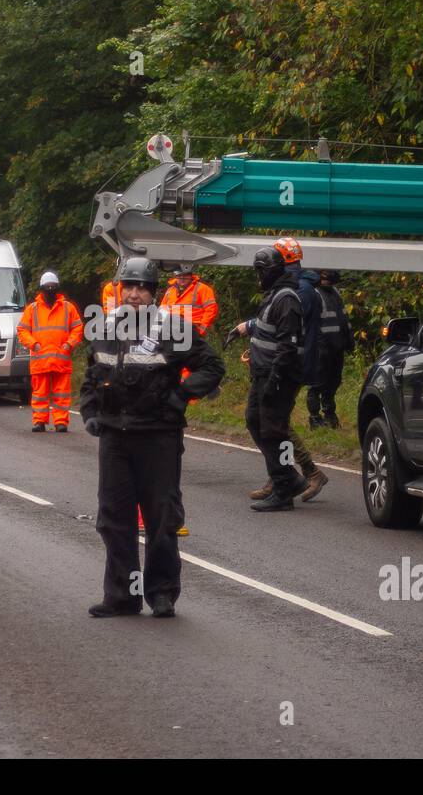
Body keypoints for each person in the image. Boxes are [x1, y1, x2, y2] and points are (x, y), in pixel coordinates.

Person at [80, 257, 225, 618]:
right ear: (119, 290)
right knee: (114, 519)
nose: (133, 293)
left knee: (161, 517)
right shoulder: (105, 328)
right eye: (127, 286)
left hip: (158, 436)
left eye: (141, 287)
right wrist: (91, 412)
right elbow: (91, 375)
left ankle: (161, 592)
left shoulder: (172, 327)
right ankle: (122, 596)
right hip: (115, 438)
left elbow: (213, 366)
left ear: (152, 293)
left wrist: (180, 396)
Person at [237, 238, 306, 511]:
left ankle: (283, 490)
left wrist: (276, 378)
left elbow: (288, 344)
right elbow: (267, 328)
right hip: (263, 373)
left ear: (271, 271)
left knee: (275, 431)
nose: (258, 277)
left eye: (260, 271)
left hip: (278, 376)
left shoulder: (287, 298)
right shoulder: (274, 295)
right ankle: (289, 477)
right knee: (255, 421)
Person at [17, 271, 84, 432]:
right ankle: (39, 421)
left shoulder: (68, 308)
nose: (50, 290)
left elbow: (78, 328)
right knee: (40, 393)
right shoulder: (32, 309)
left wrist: (69, 344)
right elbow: (22, 330)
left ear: (58, 288)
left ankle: (61, 422)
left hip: (61, 359)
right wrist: (34, 344)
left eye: (53, 287)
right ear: (41, 289)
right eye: (47, 287)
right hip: (40, 360)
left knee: (62, 394)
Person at [304, 269, 355, 428]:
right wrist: (317, 346)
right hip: (321, 348)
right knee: (317, 384)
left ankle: (330, 415)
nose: (326, 279)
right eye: (324, 276)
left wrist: (349, 340)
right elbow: (310, 324)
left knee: (333, 383)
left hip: (337, 347)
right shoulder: (314, 294)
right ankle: (314, 417)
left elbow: (343, 318)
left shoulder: (335, 292)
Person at [160, 266, 218, 337]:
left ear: (191, 275)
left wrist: (201, 330)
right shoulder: (170, 290)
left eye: (185, 275)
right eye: (179, 275)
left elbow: (211, 310)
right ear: (175, 276)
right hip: (171, 331)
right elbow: (162, 310)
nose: (182, 278)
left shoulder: (203, 289)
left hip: (192, 331)